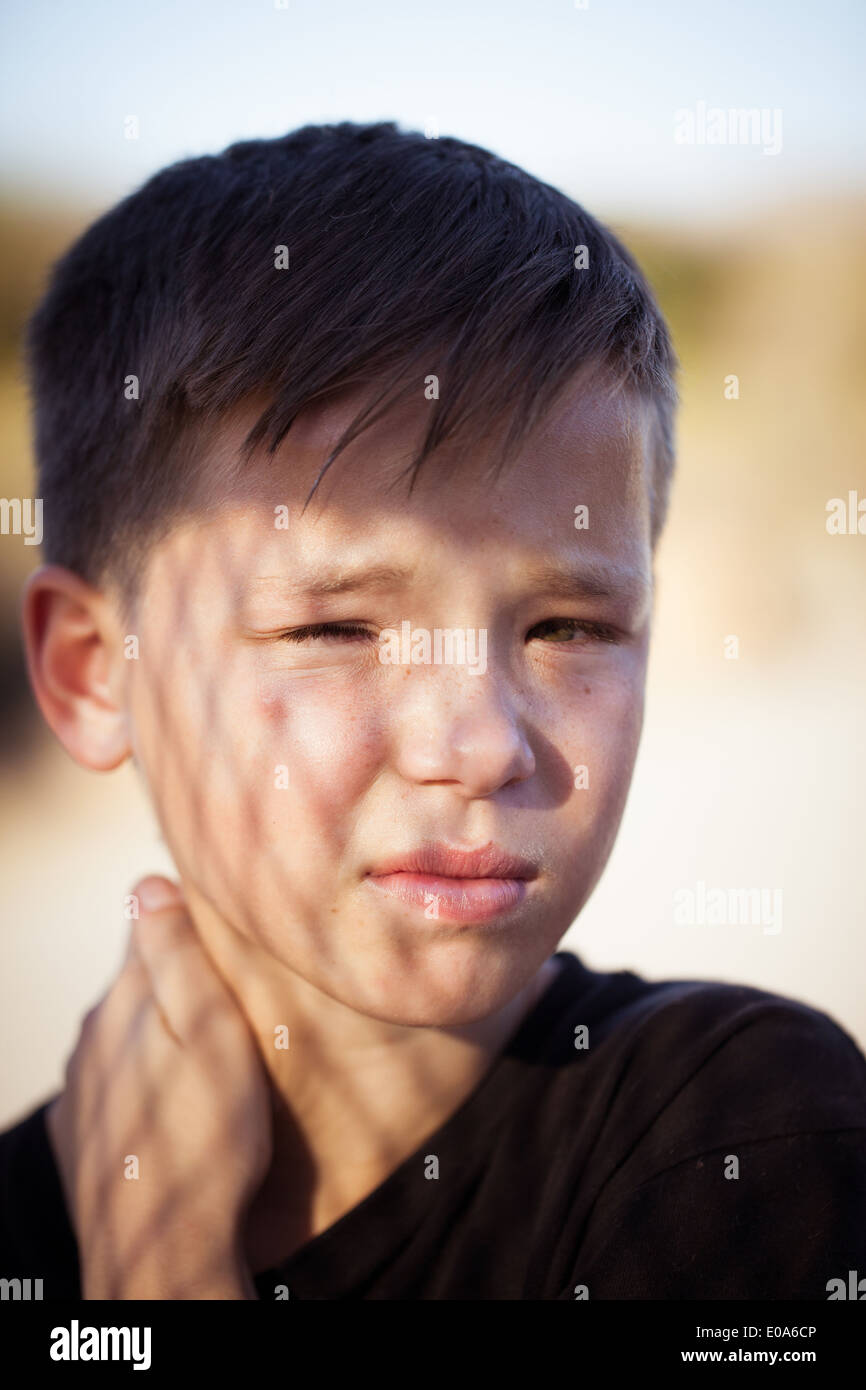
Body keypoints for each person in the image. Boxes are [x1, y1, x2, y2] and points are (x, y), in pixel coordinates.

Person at [1, 121, 864, 1300]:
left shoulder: (739, 1134)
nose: (478, 746)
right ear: (95, 673)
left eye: (568, 628)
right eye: (333, 629)